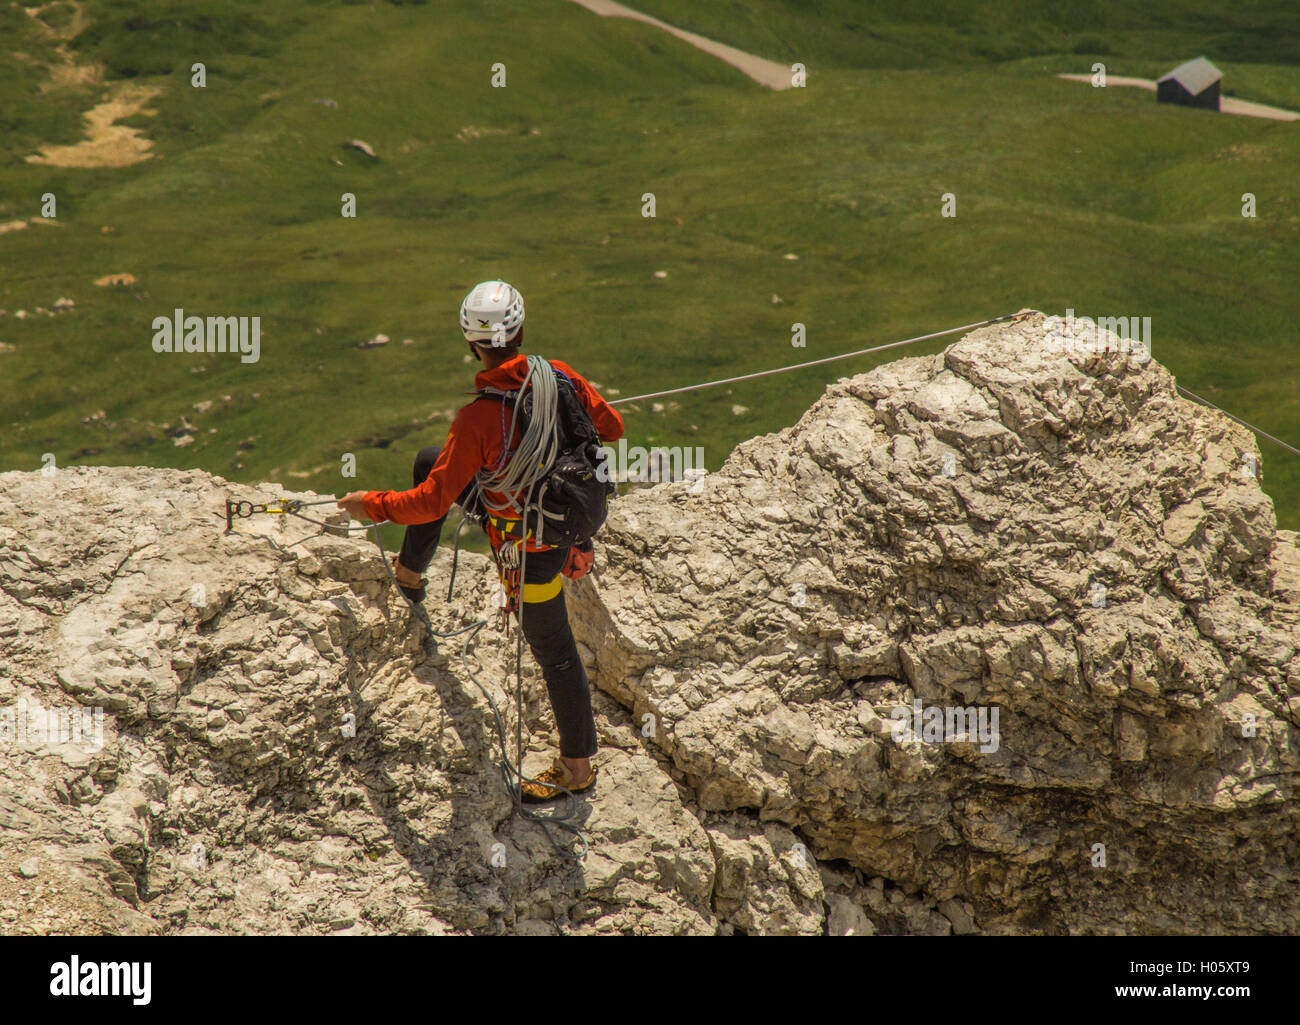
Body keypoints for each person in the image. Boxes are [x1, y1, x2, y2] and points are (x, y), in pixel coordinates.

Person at [337, 280, 623, 802]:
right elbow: (614, 427)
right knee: (429, 458)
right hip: (561, 519)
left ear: (472, 343)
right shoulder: (559, 376)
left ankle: (578, 768)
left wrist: (371, 504)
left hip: (529, 545)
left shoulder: (477, 420)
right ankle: (409, 571)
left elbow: (428, 502)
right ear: (520, 331)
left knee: (554, 651)